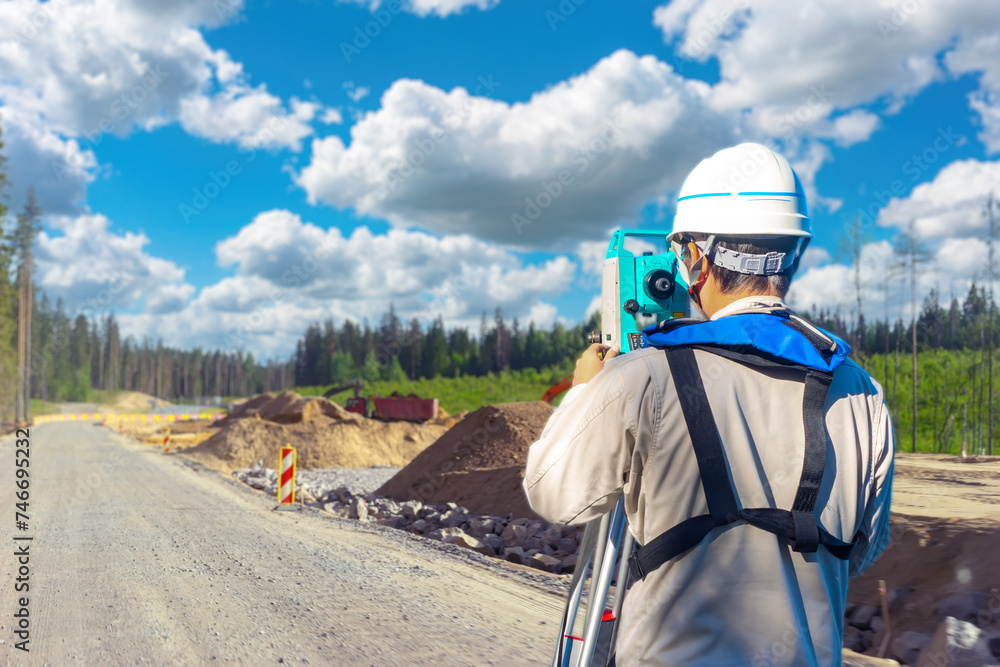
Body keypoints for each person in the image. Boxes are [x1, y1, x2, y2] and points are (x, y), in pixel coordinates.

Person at [524, 143, 894, 667]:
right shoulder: (861, 392)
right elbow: (860, 550)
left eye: (680, 251)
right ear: (793, 255)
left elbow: (553, 492)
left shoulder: (645, 375)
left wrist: (587, 389)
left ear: (695, 256)